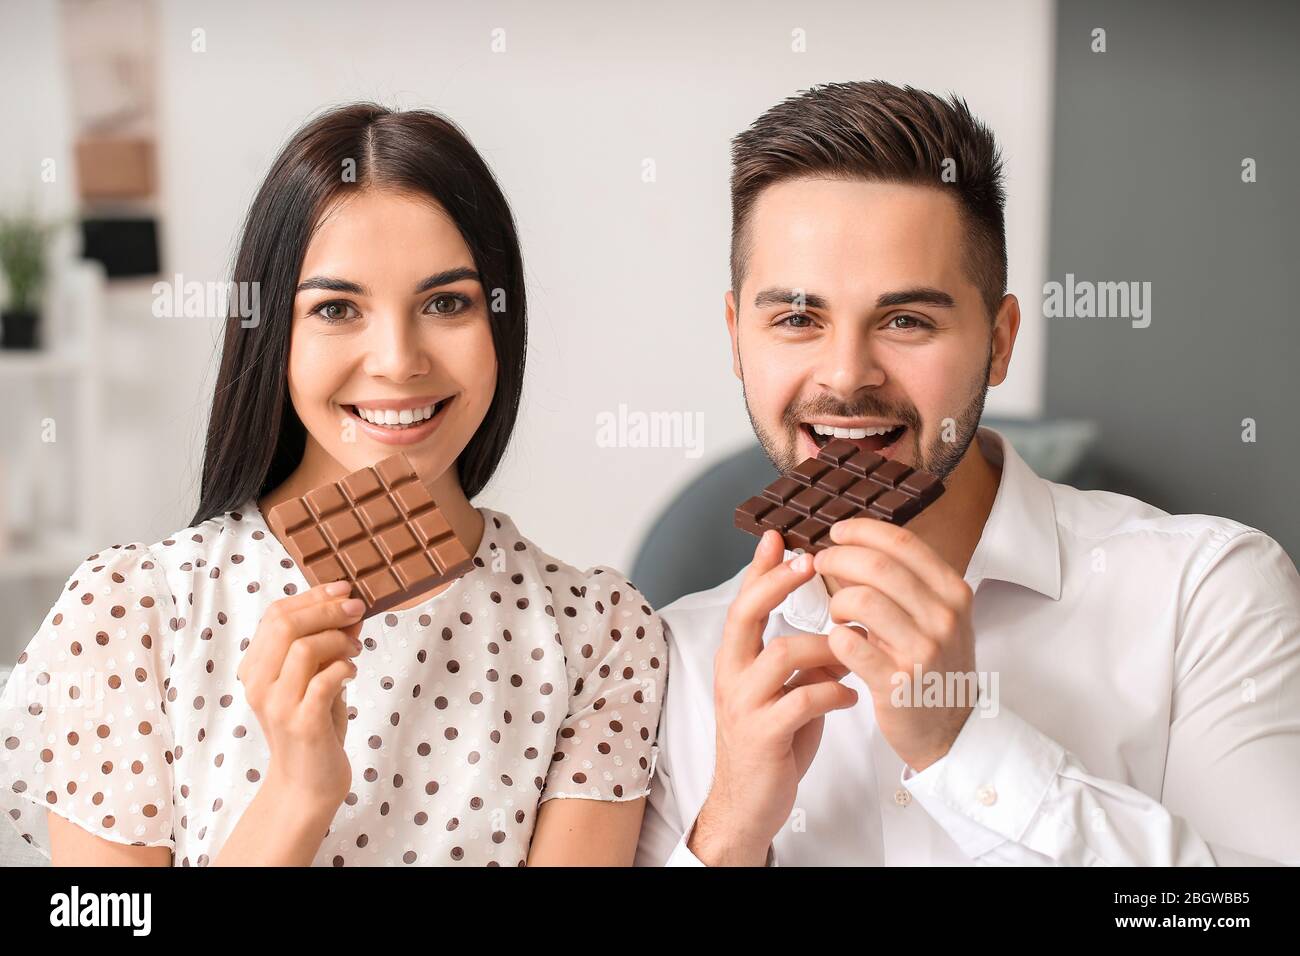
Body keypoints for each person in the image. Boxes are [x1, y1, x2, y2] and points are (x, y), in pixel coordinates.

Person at [635, 80, 1300, 866]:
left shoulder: (1206, 594)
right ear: (737, 338)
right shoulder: (667, 660)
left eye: (907, 320)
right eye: (796, 319)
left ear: (1000, 339)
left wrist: (964, 745)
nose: (847, 377)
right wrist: (725, 837)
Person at [0, 103, 665, 866]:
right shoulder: (127, 616)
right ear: (273, 335)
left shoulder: (599, 634)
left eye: (446, 302)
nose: (396, 359)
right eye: (337, 309)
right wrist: (297, 793)